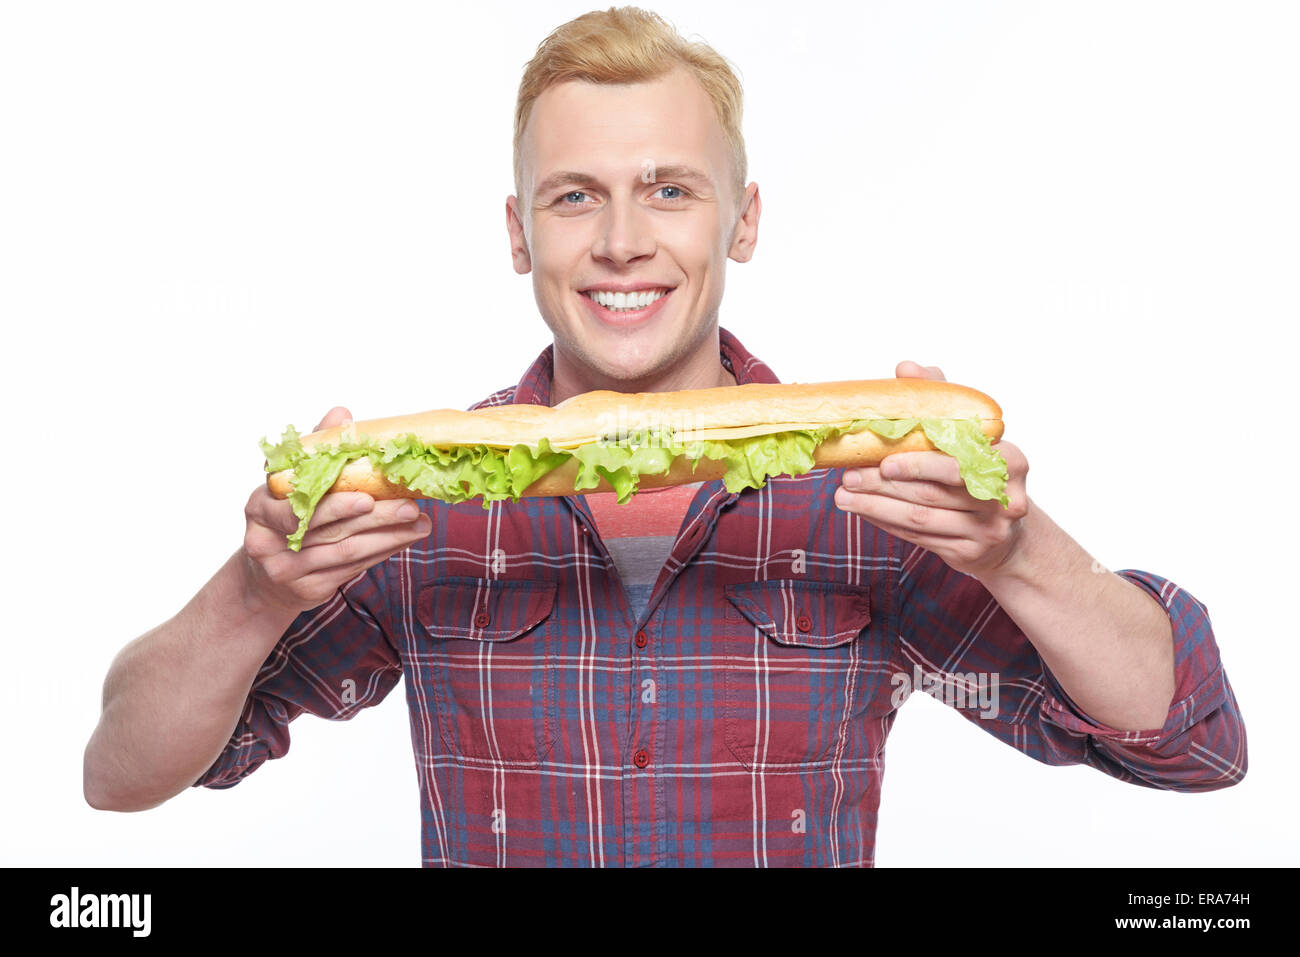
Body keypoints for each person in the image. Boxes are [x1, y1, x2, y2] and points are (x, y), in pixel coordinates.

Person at [83, 6, 1246, 867]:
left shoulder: (875, 499)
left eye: (671, 191)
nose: (622, 242)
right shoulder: (419, 506)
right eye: (574, 195)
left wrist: (1017, 552)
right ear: (518, 232)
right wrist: (252, 594)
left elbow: (1188, 742)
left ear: (742, 220)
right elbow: (122, 775)